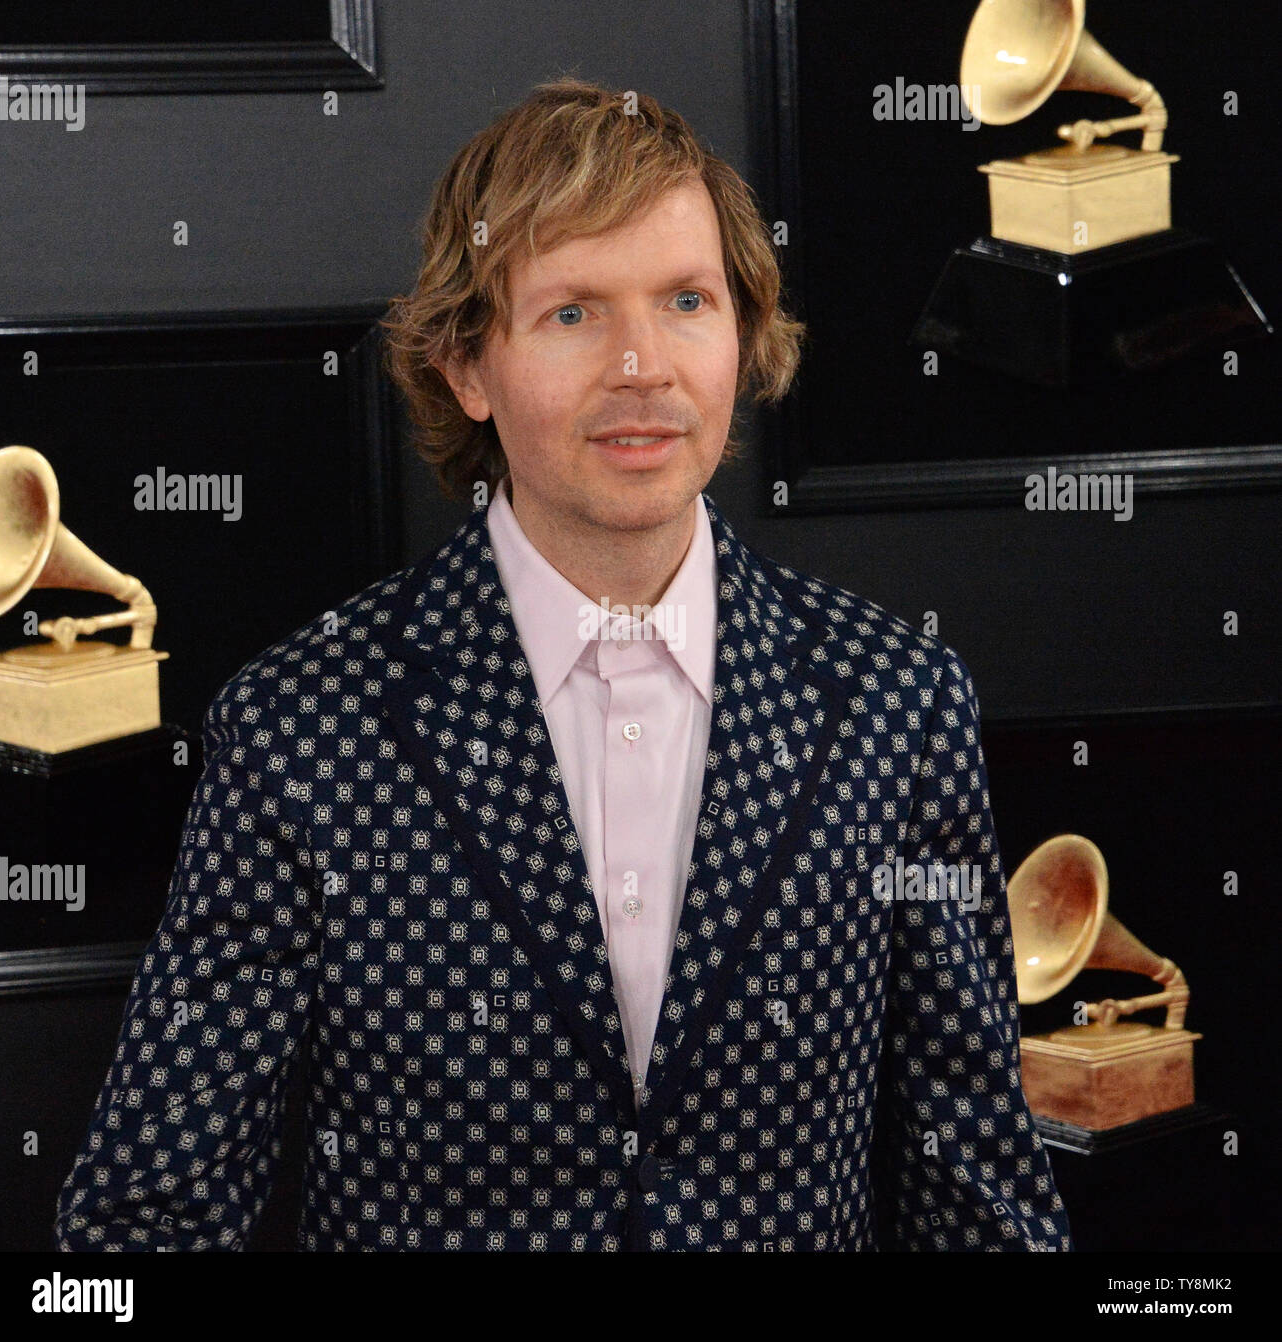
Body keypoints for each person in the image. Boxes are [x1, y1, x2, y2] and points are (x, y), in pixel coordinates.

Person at [55, 77, 1070, 1252]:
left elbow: (978, 1181)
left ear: (742, 337)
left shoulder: (898, 703)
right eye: (574, 313)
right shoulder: (296, 728)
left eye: (686, 300)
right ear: (466, 366)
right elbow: (147, 1212)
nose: (642, 364)